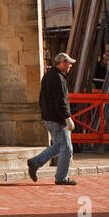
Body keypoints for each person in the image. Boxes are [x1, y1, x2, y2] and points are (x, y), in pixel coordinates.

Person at [27, 52, 78, 186]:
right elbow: (61, 101)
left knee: (57, 146)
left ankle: (35, 162)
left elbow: (42, 98)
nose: (70, 66)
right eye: (68, 63)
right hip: (58, 118)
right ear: (61, 63)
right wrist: (67, 118)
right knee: (66, 148)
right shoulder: (58, 78)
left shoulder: (48, 76)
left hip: (49, 117)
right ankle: (61, 177)